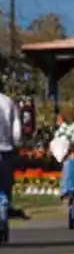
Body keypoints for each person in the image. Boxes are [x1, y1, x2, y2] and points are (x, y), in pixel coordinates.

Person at [0, 89, 21, 243]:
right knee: (3, 190)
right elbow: (17, 132)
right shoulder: (8, 102)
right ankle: (2, 220)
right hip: (6, 149)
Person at [52, 137, 74, 229]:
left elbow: (66, 177)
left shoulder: (68, 163)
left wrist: (63, 189)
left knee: (72, 204)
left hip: (71, 188)